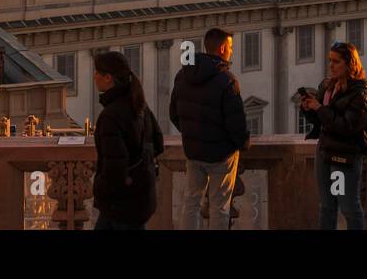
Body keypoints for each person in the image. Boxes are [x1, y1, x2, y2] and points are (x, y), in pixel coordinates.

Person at [169, 27, 250, 229]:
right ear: (222, 48)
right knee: (219, 207)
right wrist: (243, 143)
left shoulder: (183, 75)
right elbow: (236, 123)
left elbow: (174, 113)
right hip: (221, 154)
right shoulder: (227, 80)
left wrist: (191, 133)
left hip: (193, 152)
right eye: (230, 47)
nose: (231, 51)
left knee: (191, 202)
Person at [299, 42, 367, 230]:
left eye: (336, 61)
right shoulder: (328, 86)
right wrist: (309, 108)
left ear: (350, 64)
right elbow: (321, 121)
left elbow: (348, 127)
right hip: (325, 152)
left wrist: (320, 108)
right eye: (330, 61)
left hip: (343, 157)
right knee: (327, 206)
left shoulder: (361, 93)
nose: (331, 66)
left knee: (349, 207)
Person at [92, 51, 164, 230]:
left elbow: (114, 166)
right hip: (140, 197)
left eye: (97, 72)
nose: (94, 76)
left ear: (108, 78)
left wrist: (100, 186)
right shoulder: (139, 105)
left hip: (121, 203)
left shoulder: (110, 115)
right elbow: (158, 142)